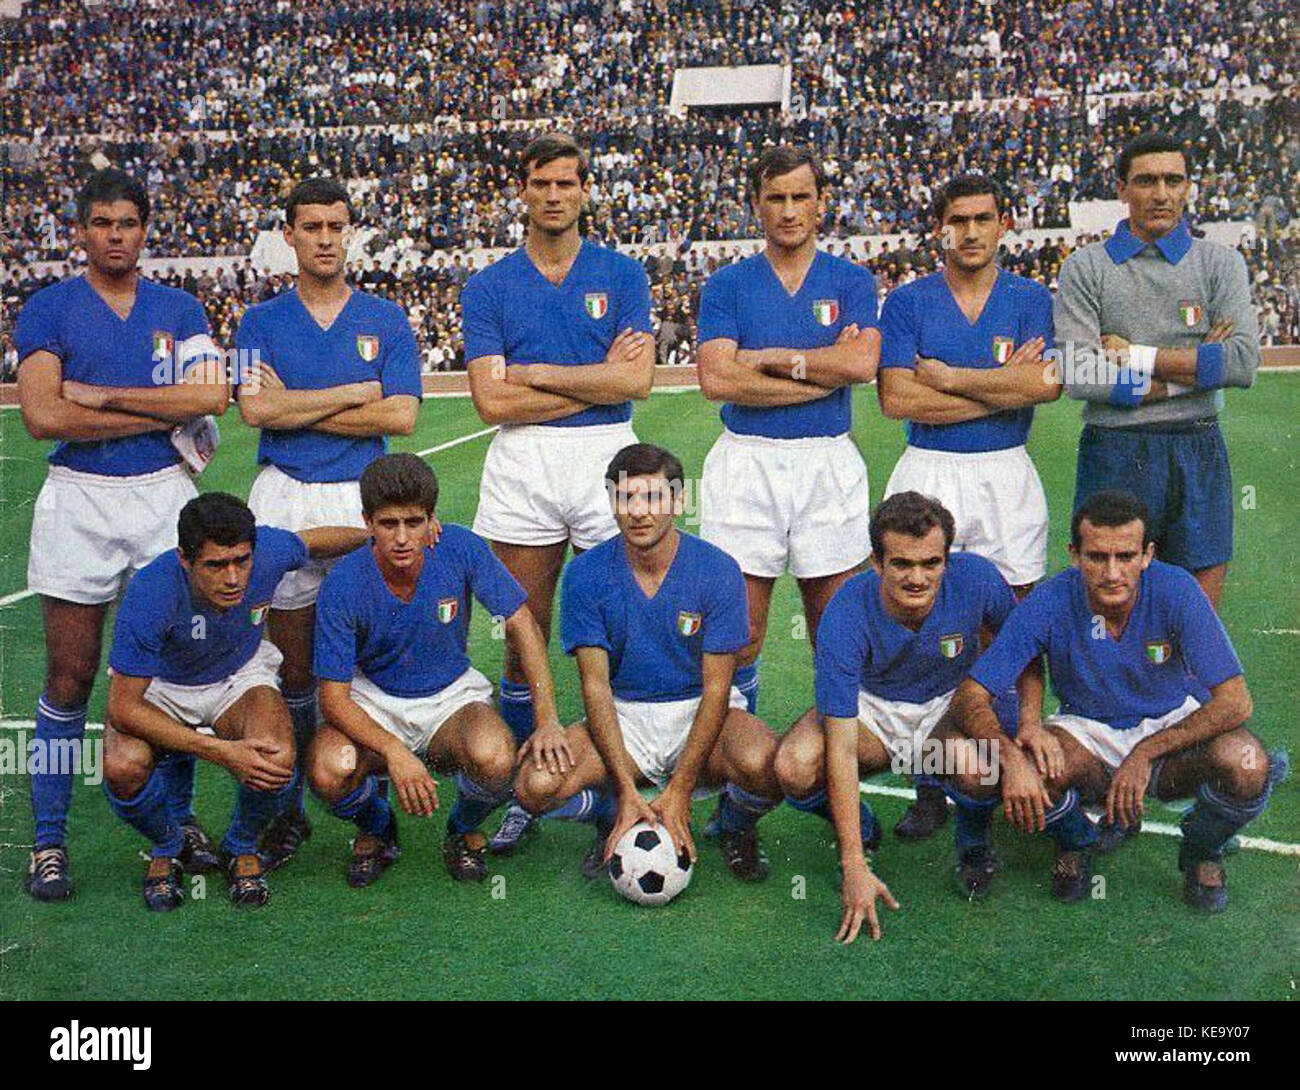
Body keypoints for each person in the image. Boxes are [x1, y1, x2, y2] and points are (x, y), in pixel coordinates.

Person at [15, 168, 229, 902]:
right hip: (79, 496)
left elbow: (210, 395)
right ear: (80, 231)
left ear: (144, 229)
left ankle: (174, 828)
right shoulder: (48, 308)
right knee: (71, 678)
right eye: (101, 222)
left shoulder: (178, 304)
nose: (115, 235)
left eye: (128, 222)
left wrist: (103, 394)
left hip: (162, 498)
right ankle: (47, 842)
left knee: (172, 677)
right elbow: (43, 415)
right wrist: (158, 413)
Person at [949, 490, 1283, 912]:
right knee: (1026, 767)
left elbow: (1236, 702)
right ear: (1074, 554)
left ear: (1147, 555)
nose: (1111, 572)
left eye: (1125, 556)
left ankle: (1201, 850)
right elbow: (969, 697)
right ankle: (1076, 841)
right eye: (1096, 557)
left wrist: (1144, 754)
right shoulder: (1051, 599)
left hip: (1168, 724)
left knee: (1248, 761)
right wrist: (1012, 755)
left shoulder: (1176, 589)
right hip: (1085, 731)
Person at [460, 133, 654, 854]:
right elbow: (488, 402)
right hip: (523, 465)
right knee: (523, 634)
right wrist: (588, 380)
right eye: (540, 182)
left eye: (566, 183)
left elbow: (633, 383)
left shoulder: (622, 273)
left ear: (584, 191)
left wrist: (533, 375)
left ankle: (619, 782)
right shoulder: (488, 286)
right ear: (523, 189)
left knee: (625, 630)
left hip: (607, 457)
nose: (553, 194)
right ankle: (522, 788)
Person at [235, 177, 422, 870]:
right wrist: (353, 393)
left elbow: (400, 416)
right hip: (283, 492)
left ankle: (368, 814)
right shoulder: (259, 322)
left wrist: (296, 402)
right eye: (309, 226)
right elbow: (255, 413)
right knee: (292, 666)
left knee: (365, 660)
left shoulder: (386, 317)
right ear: (289, 234)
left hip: (361, 496)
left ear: (351, 233)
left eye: (334, 226)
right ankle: (288, 812)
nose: (323, 238)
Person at [876, 174, 1059, 838]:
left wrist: (951, 378)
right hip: (929, 470)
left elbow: (1045, 385)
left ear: (1004, 223)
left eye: (984, 218)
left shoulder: (1031, 298)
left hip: (1006, 472)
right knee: (923, 623)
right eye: (959, 220)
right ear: (940, 229)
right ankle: (930, 779)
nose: (972, 232)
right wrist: (1002, 387)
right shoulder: (908, 302)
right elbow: (897, 399)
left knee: (1012, 623)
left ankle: (1005, 768)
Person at [513, 444, 783, 882]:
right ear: (611, 502)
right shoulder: (585, 574)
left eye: (653, 497)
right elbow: (595, 687)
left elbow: (717, 690)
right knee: (534, 787)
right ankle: (610, 814)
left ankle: (734, 826)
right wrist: (623, 789)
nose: (639, 511)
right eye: (626, 497)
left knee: (770, 765)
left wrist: (679, 791)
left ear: (678, 500)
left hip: (698, 708)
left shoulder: (718, 570)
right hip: (625, 716)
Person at [774, 492, 1033, 941]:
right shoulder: (845, 611)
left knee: (980, 765)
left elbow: (1022, 650)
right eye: (902, 564)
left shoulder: (978, 579)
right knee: (794, 765)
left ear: (947, 558)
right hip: (873, 710)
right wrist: (852, 863)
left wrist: (1020, 729)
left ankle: (973, 842)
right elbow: (840, 745)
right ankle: (860, 827)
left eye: (931, 563)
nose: (918, 577)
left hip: (946, 708)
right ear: (877, 562)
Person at [102, 493, 367, 910]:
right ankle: (171, 842)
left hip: (237, 677)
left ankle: (240, 847)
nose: (233, 579)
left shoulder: (269, 551)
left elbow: (314, 541)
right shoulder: (150, 592)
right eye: (216, 565)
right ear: (185, 560)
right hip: (161, 687)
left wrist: (379, 538)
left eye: (241, 561)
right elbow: (124, 708)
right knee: (122, 766)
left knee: (275, 757)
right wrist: (221, 751)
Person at [308, 453, 564, 884]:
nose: (403, 538)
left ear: (432, 520)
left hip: (451, 697)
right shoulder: (343, 583)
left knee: (497, 758)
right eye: (389, 524)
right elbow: (333, 698)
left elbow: (521, 621)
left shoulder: (459, 547)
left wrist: (549, 718)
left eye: (415, 522)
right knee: (329, 769)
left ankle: (461, 829)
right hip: (374, 698)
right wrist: (393, 750)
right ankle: (377, 826)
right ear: (367, 522)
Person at [695, 145, 879, 723]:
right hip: (746, 462)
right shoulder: (726, 285)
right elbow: (716, 377)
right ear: (756, 206)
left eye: (801, 196)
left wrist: (768, 359)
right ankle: (737, 771)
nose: (790, 209)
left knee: (836, 630)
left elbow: (859, 367)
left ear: (821, 203)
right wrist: (816, 373)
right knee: (741, 630)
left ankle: (832, 767)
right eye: (776, 198)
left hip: (827, 461)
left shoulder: (850, 280)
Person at [1055, 132, 1260, 611]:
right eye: (1146, 181)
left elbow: (1243, 361)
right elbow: (1082, 374)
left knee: (1197, 609)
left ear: (1189, 187)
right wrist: (1194, 370)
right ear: (1122, 189)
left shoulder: (1221, 264)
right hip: (1116, 450)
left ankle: (1188, 691)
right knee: (1112, 603)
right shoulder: (1086, 268)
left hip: (1198, 441)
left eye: (1174, 180)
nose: (1161, 193)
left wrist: (1139, 356)